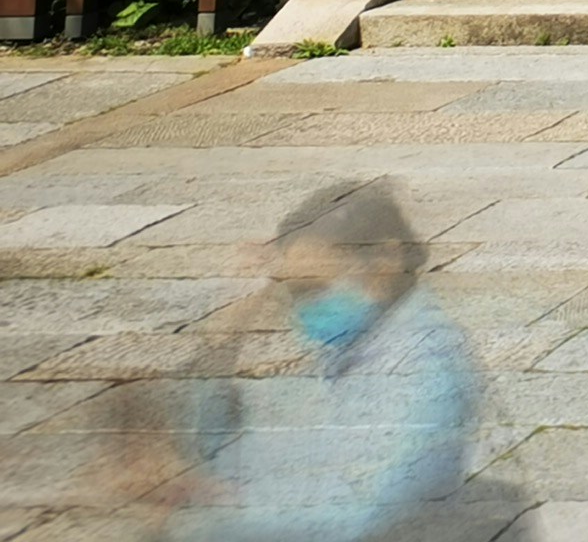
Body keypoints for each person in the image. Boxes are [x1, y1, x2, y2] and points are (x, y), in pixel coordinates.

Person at [157, 178, 490, 540]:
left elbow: (358, 518)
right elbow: (222, 455)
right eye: (291, 292)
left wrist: (194, 523)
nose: (302, 310)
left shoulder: (424, 369)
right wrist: (226, 339)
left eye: (313, 289)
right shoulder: (354, 350)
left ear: (385, 260)